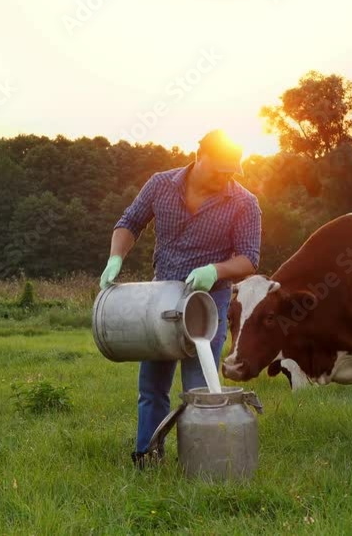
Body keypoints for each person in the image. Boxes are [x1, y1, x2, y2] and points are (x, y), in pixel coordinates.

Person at [100, 129, 262, 468]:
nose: (225, 177)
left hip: (207, 303)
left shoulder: (244, 202)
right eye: (219, 169)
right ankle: (147, 456)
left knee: (200, 390)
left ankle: (201, 462)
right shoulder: (161, 184)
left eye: (232, 171)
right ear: (199, 156)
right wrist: (116, 258)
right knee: (152, 387)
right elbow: (130, 222)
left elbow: (249, 258)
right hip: (160, 300)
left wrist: (215, 270)